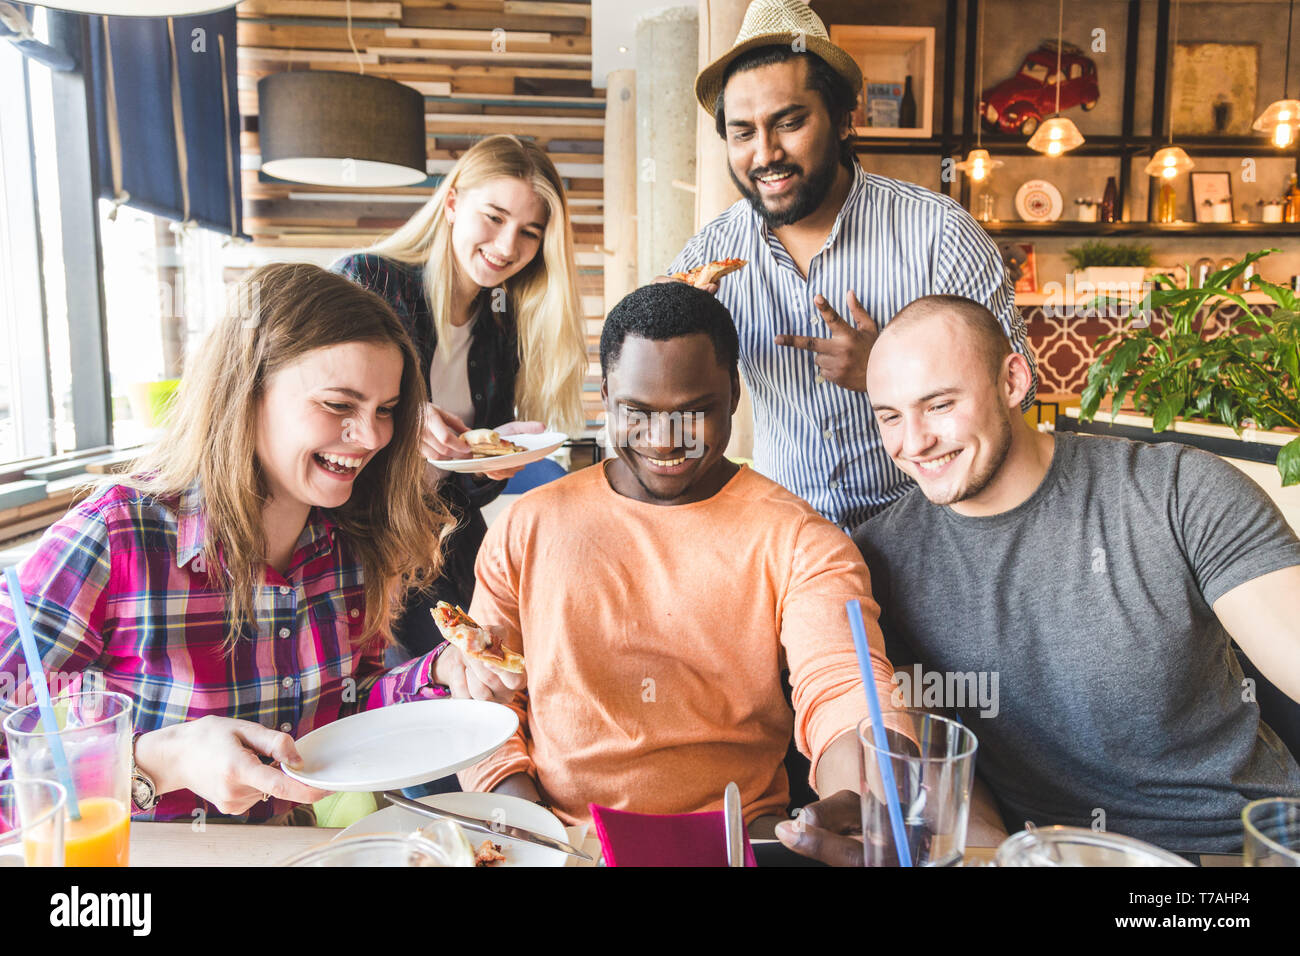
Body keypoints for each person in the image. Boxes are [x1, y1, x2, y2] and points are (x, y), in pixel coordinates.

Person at [0, 264, 520, 823]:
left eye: (386, 410)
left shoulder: (348, 543)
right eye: (339, 405)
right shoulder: (112, 538)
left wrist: (436, 674)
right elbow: (15, 771)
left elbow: (345, 709)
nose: (371, 436)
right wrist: (156, 762)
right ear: (246, 392)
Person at [842, 293, 1300, 856]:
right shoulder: (878, 559)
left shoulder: (1179, 492)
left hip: (1233, 848)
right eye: (890, 416)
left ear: (1012, 380)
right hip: (1043, 853)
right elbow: (942, 762)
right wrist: (994, 854)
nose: (913, 444)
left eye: (939, 405)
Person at [437, 281, 902, 831]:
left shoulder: (801, 539)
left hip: (738, 842)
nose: (663, 440)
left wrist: (867, 792)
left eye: (694, 411)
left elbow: (844, 688)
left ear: (733, 392)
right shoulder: (526, 525)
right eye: (637, 411)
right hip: (557, 838)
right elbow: (486, 703)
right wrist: (528, 827)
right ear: (606, 396)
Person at [665, 0, 1036, 529]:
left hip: (935, 537)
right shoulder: (709, 258)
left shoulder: (939, 232)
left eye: (789, 122)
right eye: (743, 133)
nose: (765, 154)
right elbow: (666, 399)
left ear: (844, 120)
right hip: (791, 545)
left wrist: (882, 373)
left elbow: (1020, 389)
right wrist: (666, 332)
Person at [334, 134, 588, 662]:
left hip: (439, 544)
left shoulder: (501, 327)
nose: (506, 246)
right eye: (493, 217)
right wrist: (402, 415)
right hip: (352, 535)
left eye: (529, 232)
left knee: (484, 680)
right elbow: (323, 412)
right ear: (452, 203)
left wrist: (490, 463)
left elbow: (465, 487)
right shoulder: (370, 281)